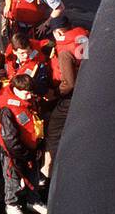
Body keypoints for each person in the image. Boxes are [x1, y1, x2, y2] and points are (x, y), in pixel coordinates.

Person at [37, 24, 90, 204]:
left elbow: (69, 83)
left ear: (59, 32)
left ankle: (50, 171)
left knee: (53, 129)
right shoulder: (82, 37)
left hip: (70, 97)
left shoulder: (65, 51)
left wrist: (55, 94)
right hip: (86, 89)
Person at [0, 73, 46, 214]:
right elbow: (9, 139)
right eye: (25, 92)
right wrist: (26, 154)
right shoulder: (7, 109)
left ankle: (33, 200)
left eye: (30, 92)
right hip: (14, 152)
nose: (29, 95)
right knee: (13, 179)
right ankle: (12, 204)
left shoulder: (28, 100)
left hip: (31, 147)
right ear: (15, 89)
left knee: (34, 175)